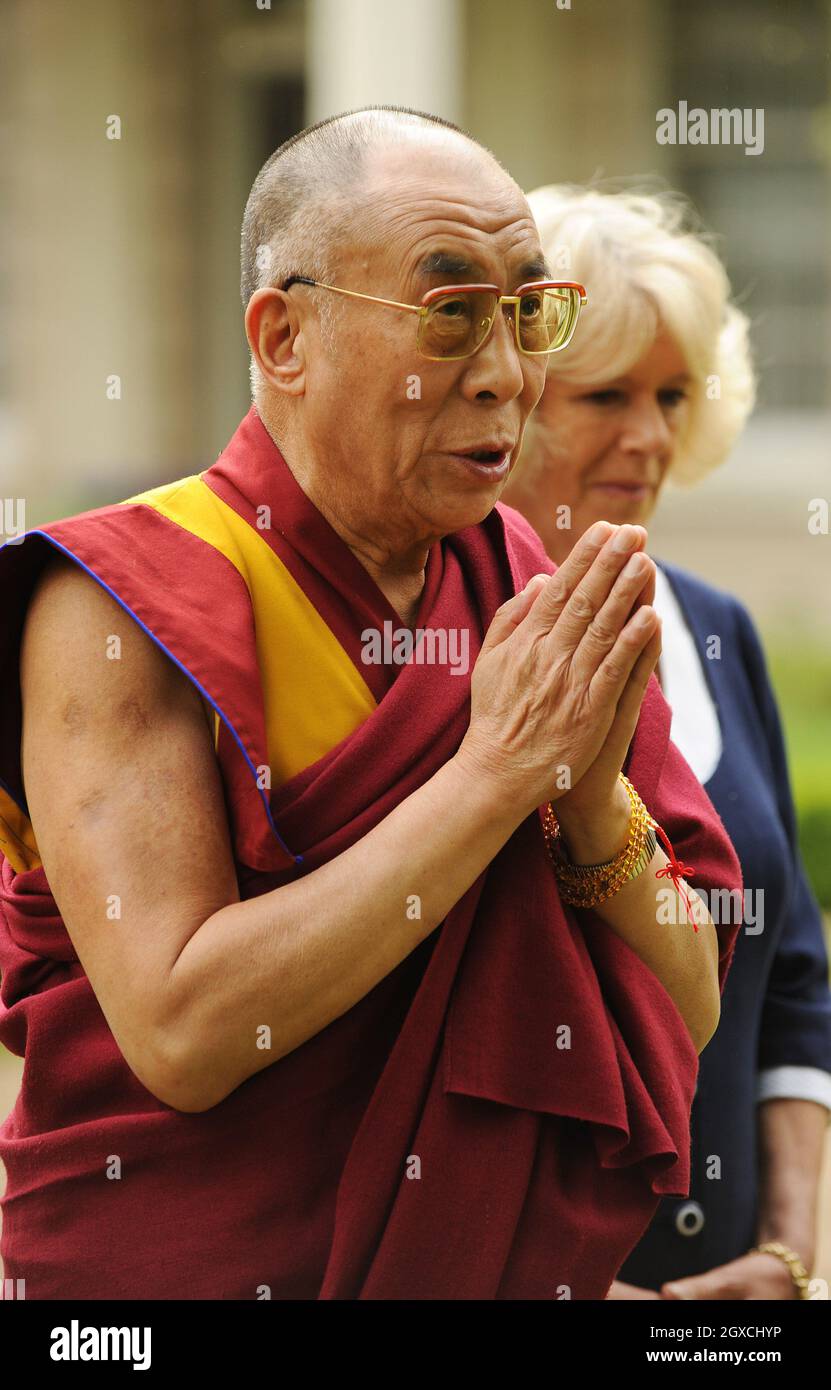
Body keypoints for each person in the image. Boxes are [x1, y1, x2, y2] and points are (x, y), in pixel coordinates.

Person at [0, 110, 741, 1301]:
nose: (507, 374)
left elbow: (687, 1004)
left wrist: (591, 801)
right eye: (451, 318)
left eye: (527, 314)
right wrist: (496, 778)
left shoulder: (533, 593)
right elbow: (184, 1031)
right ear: (284, 335)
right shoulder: (125, 603)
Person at [502, 183, 831, 1300]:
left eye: (674, 395)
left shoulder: (717, 629)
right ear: (505, 393)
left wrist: (785, 1256)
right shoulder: (438, 643)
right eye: (605, 395)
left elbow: (790, 977)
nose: (651, 437)